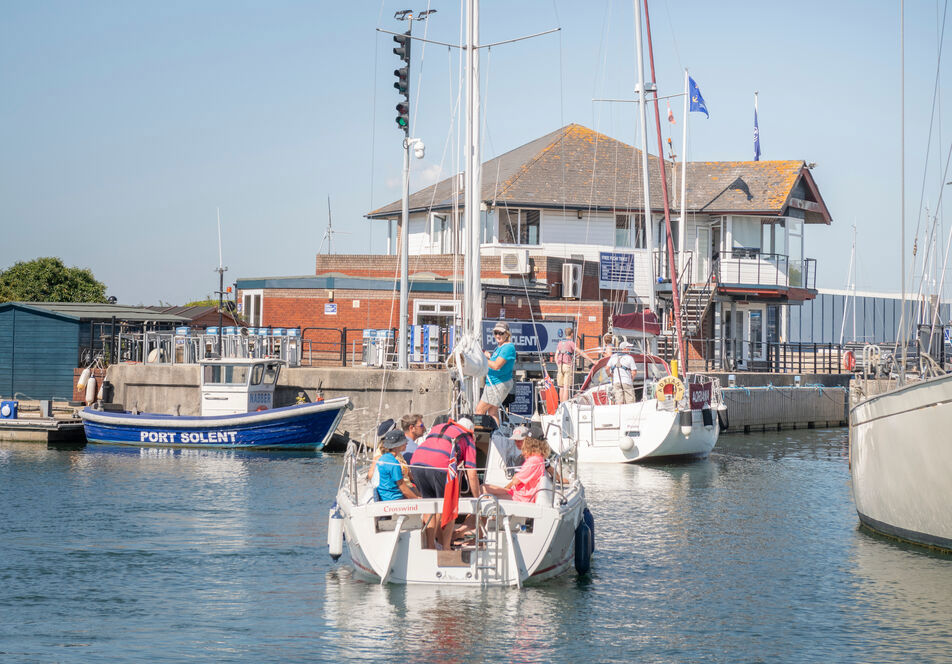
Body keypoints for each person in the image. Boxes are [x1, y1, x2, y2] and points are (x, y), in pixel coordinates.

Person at [410, 417, 481, 549]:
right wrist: (478, 498)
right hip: (440, 467)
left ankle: (431, 546)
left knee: (429, 507)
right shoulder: (468, 438)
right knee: (450, 507)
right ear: (471, 431)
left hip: (416, 464)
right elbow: (472, 474)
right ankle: (446, 549)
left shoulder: (439, 427)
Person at [482, 437, 553, 503]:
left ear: (530, 444)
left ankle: (483, 516)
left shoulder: (533, 461)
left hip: (521, 497)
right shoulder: (539, 459)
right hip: (518, 493)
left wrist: (515, 477)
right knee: (484, 487)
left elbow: (516, 481)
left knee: (484, 490)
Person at [476, 321, 516, 423]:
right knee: (492, 412)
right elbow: (494, 361)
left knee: (479, 411)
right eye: (496, 333)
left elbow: (496, 365)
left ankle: (478, 437)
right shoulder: (500, 347)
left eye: (501, 333)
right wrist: (488, 356)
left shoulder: (508, 347)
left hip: (498, 383)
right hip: (494, 383)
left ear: (507, 334)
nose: (498, 335)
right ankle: (495, 435)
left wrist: (483, 359)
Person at [370, 430, 419, 501]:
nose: (406, 443)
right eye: (404, 442)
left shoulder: (382, 458)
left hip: (385, 498)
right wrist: (417, 499)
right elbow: (403, 489)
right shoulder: (394, 463)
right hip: (395, 500)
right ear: (396, 446)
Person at [553, 326, 592, 403]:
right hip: (567, 365)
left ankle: (561, 405)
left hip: (560, 365)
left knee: (561, 387)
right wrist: (591, 360)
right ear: (571, 334)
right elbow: (580, 352)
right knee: (566, 387)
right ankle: (565, 404)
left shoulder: (560, 343)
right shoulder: (571, 343)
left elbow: (556, 355)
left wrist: (558, 364)